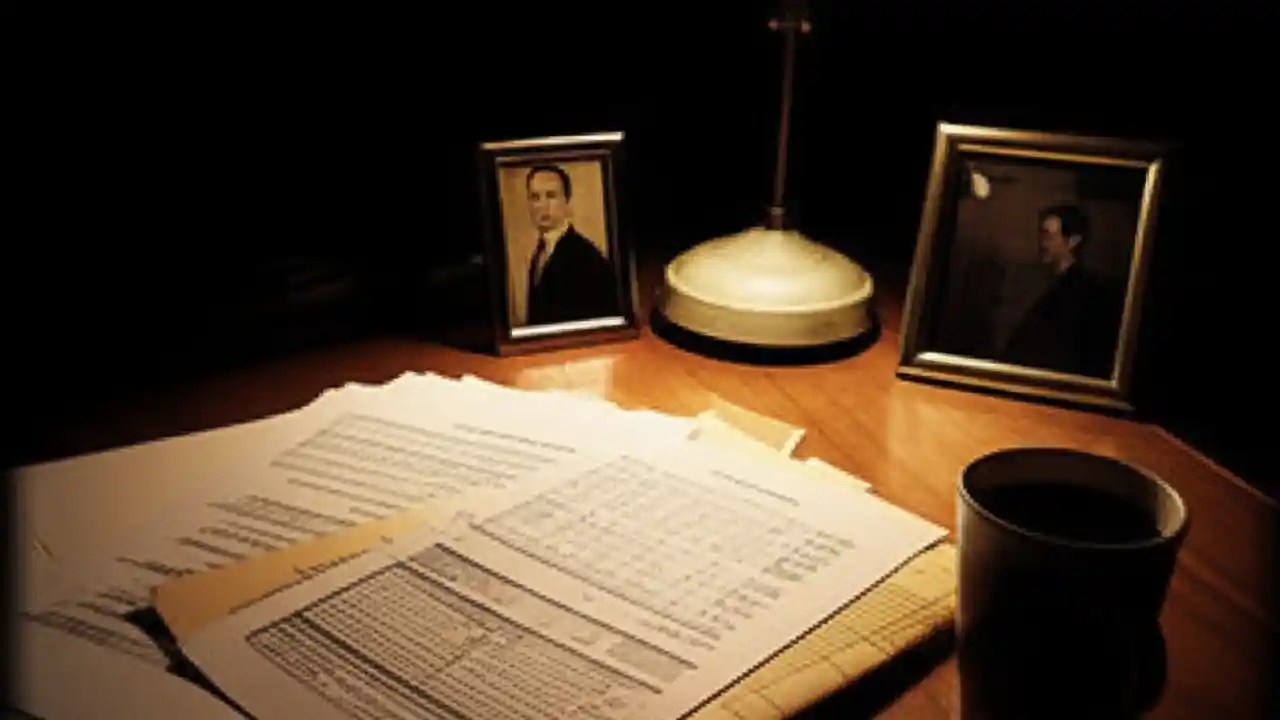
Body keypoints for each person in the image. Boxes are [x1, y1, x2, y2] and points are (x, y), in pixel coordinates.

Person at [1000, 205, 1123, 377]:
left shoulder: (1086, 290)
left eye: (1049, 236)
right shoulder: (1038, 282)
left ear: (1073, 241)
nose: (1042, 243)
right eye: (1041, 234)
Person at [520, 165, 619, 326]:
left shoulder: (587, 258)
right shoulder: (538, 254)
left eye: (551, 196)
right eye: (535, 197)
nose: (542, 205)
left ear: (567, 201)